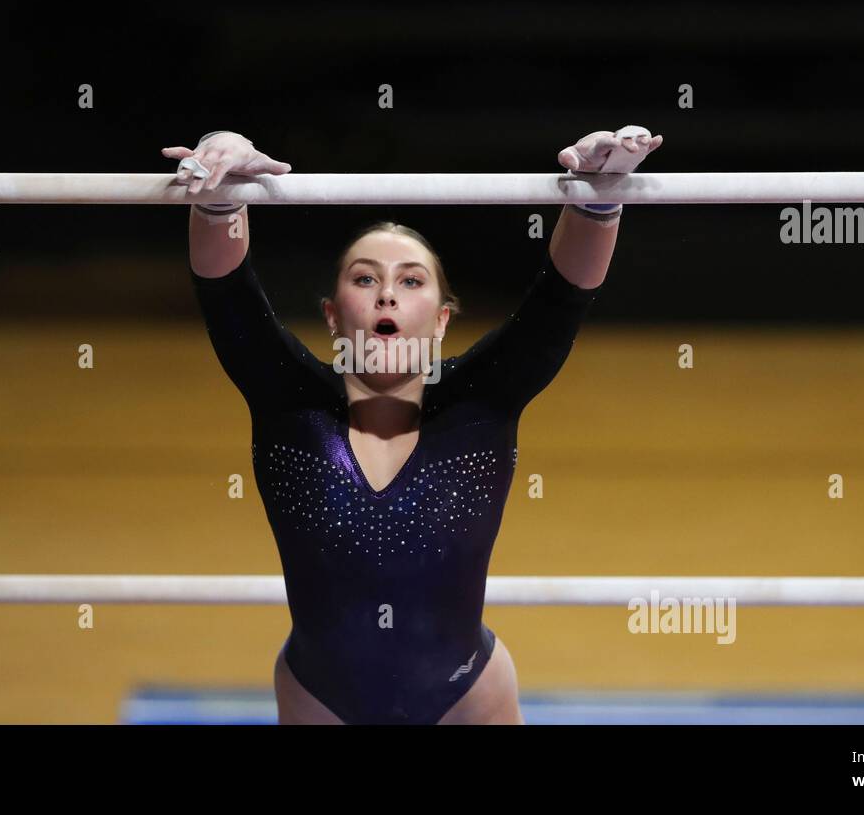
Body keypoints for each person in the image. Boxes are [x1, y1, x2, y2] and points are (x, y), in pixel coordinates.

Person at [162, 126, 663, 724]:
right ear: (332, 313)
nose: (387, 297)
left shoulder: (483, 401)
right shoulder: (288, 402)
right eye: (365, 278)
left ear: (443, 319)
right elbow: (225, 292)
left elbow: (561, 297)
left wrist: (599, 195)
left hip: (466, 699)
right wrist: (222, 176)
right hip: (321, 700)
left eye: (411, 281)